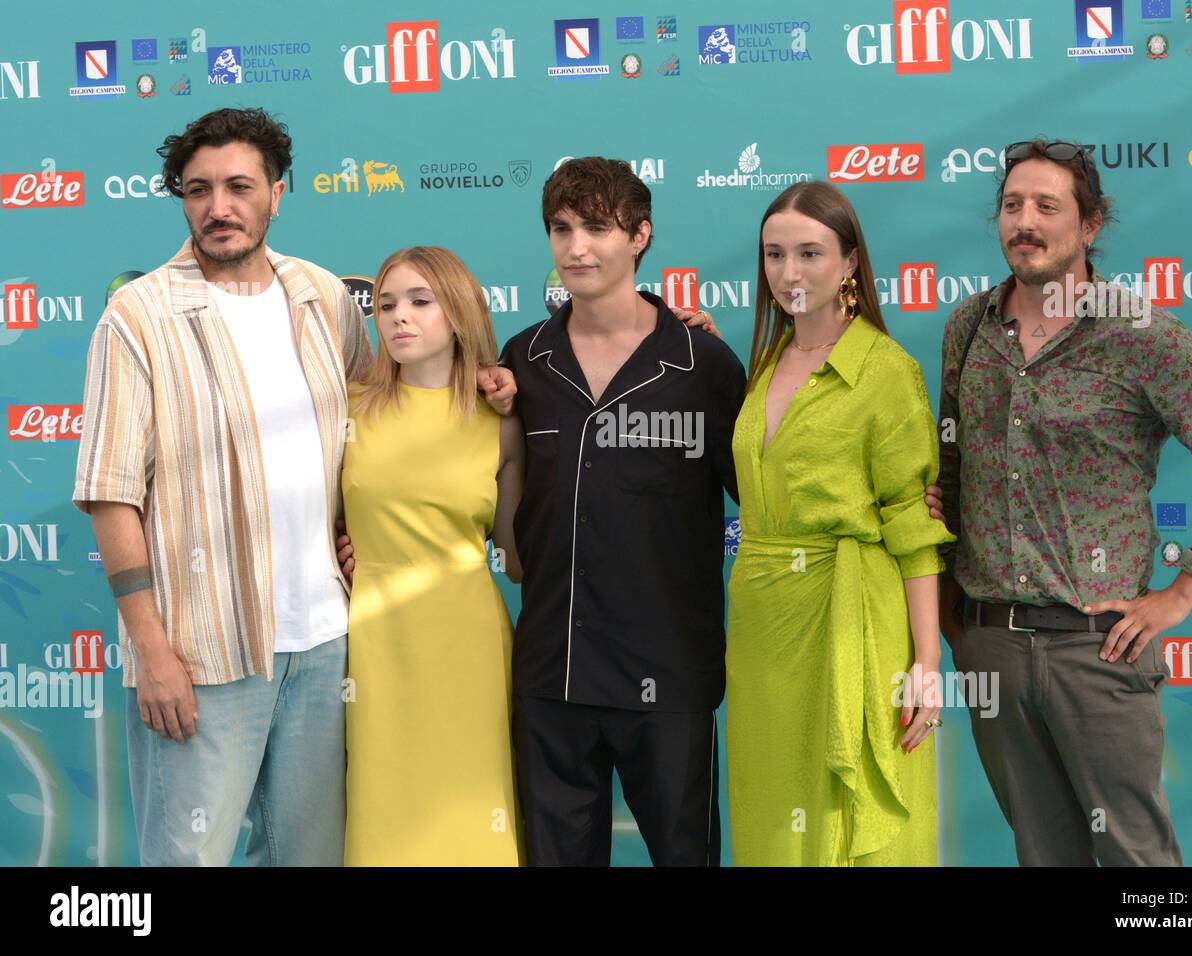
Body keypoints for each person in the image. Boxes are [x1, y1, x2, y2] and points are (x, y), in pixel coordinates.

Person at [73, 107, 514, 867]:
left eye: (239, 186)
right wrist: (151, 649)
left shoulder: (323, 300)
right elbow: (112, 493)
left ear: (277, 193)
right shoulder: (135, 319)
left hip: (326, 649)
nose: (219, 207)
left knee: (308, 856)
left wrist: (481, 383)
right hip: (203, 651)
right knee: (189, 858)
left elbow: (385, 411)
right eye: (198, 188)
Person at [935, 139, 1192, 866]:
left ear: (1090, 225)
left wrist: (1181, 596)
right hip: (990, 646)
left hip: (1098, 650)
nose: (1023, 221)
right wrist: (953, 622)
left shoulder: (1142, 335)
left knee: (1137, 859)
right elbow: (954, 466)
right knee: (1043, 854)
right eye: (1011, 205)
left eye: (1046, 206)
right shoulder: (969, 328)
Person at [497, 157, 747, 866]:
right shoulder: (524, 359)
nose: (576, 247)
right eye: (561, 228)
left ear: (640, 236)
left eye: (597, 228)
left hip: (667, 675)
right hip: (553, 674)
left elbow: (767, 496)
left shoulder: (703, 363)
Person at [724, 181, 954, 866]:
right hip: (763, 631)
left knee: (850, 820)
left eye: (810, 254)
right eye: (774, 255)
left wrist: (927, 664)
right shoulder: (765, 364)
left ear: (851, 263)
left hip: (853, 622)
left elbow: (914, 534)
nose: (789, 274)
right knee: (772, 817)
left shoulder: (885, 372)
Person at [341, 247, 525, 866]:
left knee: (472, 813)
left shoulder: (500, 418)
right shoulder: (347, 409)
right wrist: (335, 550)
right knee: (383, 811)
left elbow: (519, 554)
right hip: (371, 637)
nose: (399, 317)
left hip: (466, 636)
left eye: (421, 301)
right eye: (388, 304)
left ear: (459, 312)